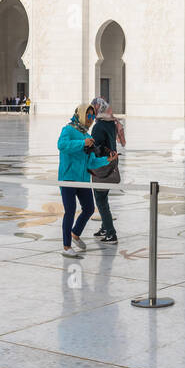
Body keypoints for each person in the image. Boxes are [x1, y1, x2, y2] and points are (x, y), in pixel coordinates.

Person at [57, 102, 117, 258]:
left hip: (82, 179)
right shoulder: (68, 130)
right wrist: (81, 143)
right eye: (88, 116)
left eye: (92, 116)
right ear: (81, 115)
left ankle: (75, 233)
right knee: (70, 210)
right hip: (68, 178)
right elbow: (62, 145)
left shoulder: (88, 136)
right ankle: (66, 246)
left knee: (89, 208)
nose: (90, 119)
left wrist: (107, 160)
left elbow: (91, 162)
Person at [89, 96, 125, 243]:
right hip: (112, 161)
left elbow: (95, 147)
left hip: (102, 164)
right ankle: (105, 227)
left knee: (100, 199)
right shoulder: (111, 123)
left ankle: (111, 233)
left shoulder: (99, 126)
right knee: (103, 197)